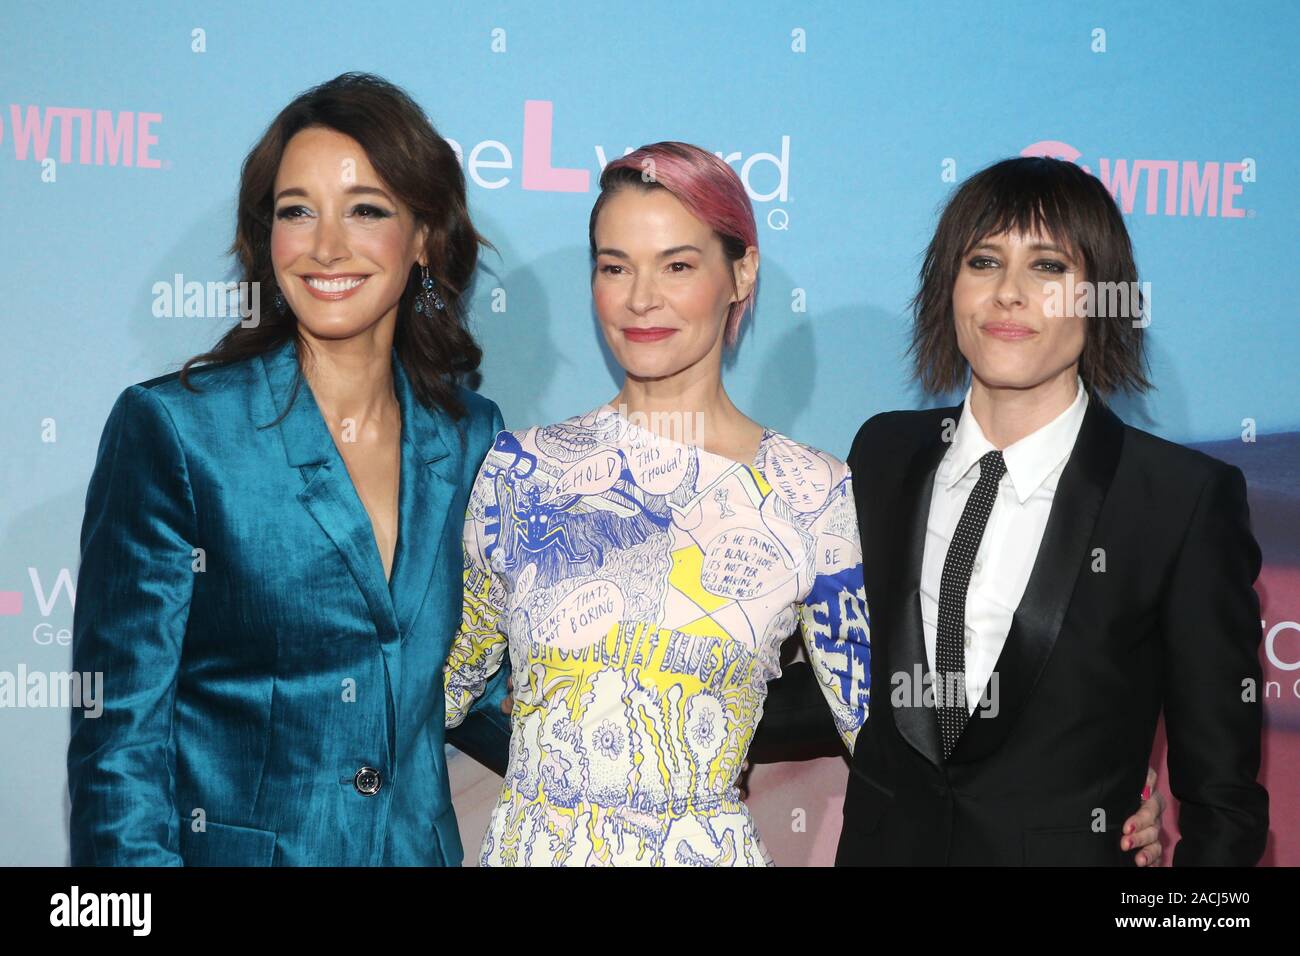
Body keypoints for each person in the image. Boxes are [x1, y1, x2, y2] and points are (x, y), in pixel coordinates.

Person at [67, 72, 509, 866]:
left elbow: (490, 681)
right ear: (265, 239)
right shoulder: (177, 430)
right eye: (295, 210)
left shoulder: (471, 435)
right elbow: (118, 744)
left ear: (422, 238)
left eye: (366, 209)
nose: (326, 245)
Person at [774, 155, 1266, 866]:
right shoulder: (882, 454)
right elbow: (848, 681)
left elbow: (1224, 803)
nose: (1009, 294)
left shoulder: (1178, 501)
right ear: (949, 287)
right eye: (983, 262)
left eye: (1048, 268)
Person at [444, 142, 871, 866]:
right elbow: (445, 682)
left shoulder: (810, 493)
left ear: (741, 274)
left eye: (677, 265)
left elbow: (880, 736)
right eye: (615, 267)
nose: (642, 298)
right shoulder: (522, 469)